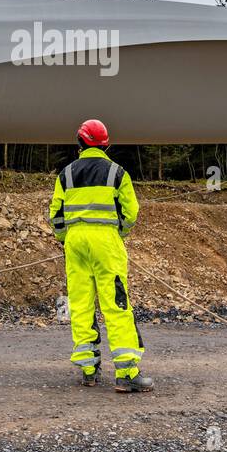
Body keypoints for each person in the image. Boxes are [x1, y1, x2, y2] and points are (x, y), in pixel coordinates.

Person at [49, 119, 152, 392]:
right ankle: (127, 373)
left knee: (81, 304)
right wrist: (118, 232)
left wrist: (66, 237)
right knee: (116, 304)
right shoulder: (117, 173)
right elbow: (130, 214)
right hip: (106, 242)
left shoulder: (66, 174)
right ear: (106, 144)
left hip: (75, 243)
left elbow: (56, 216)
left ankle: (88, 370)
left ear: (79, 142)